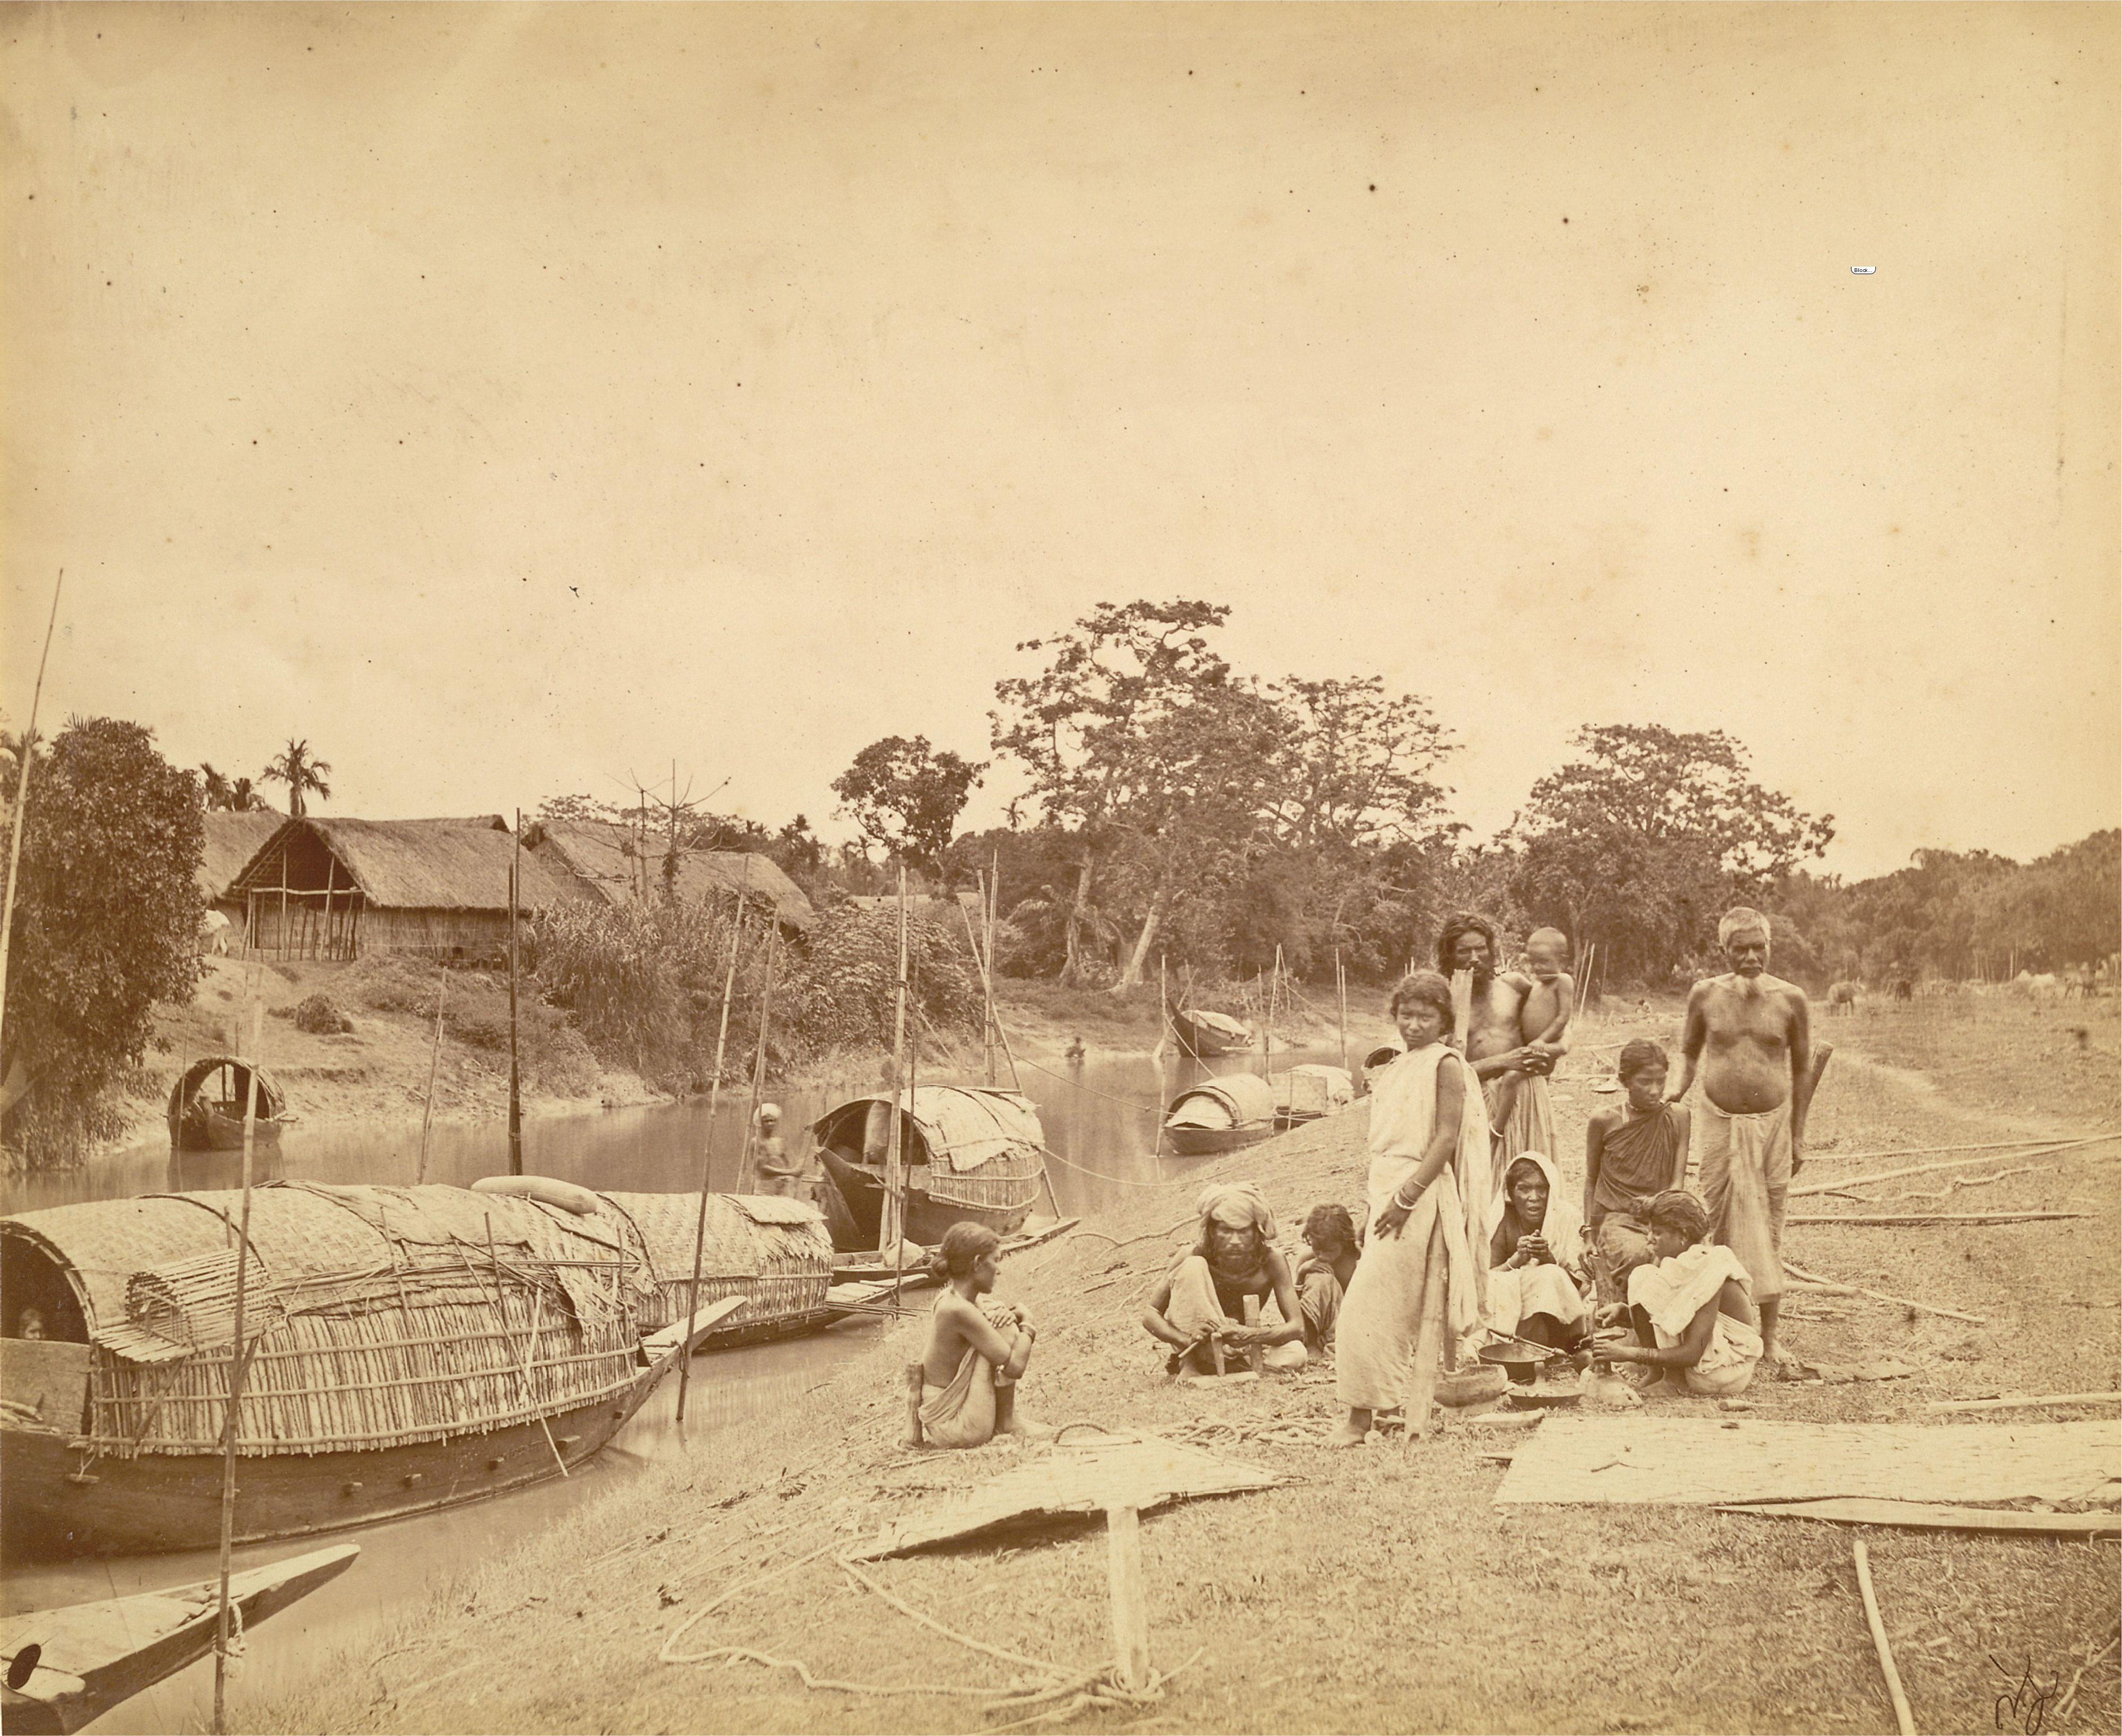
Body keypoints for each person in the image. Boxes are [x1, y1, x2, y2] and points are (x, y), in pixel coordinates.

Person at [1331, 971, 1491, 1446]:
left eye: (1425, 1017)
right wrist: (1381, 1200)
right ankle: (1375, 1407)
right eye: (1406, 1015)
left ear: (1443, 1020)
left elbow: (1444, 1138)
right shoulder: (1398, 1065)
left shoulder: (1445, 1064)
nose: (1414, 1025)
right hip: (1386, 1187)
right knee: (1377, 1306)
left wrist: (1406, 1198)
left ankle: (1360, 1419)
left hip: (1417, 1192)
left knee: (1365, 1306)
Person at [1669, 907, 1812, 1371]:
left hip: (1773, 1125)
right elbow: (1688, 1056)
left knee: (1769, 1229)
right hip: (1717, 1122)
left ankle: (1768, 1337)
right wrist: (1671, 1095)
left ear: (1770, 948)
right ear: (1723, 950)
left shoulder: (1791, 999)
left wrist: (1797, 1135)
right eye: (1740, 949)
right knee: (1712, 1223)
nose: (1751, 957)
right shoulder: (1705, 995)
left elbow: (1801, 1069)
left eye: (1759, 947)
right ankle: (1716, 1328)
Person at [1594, 1190, 1763, 1396]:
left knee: (1654, 1281)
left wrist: (1629, 1354)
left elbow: (1692, 1352)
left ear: (1683, 1236)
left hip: (1722, 1371)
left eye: (1657, 1232)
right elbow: (1671, 1316)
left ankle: (1675, 1382)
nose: (1650, 1239)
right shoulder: (1680, 1265)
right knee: (1643, 1275)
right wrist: (1626, 1313)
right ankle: (1657, 1374)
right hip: (1706, 1359)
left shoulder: (1709, 1266)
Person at [1438, 913, 1558, 1187]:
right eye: (1464, 951)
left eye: (1481, 949)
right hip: (1474, 1105)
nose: (1474, 958)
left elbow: (1551, 1028)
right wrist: (1506, 1061)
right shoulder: (1443, 1001)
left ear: (1491, 951)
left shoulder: (1514, 986)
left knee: (1531, 1184)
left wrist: (1547, 1058)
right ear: (1449, 956)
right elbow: (1444, 1075)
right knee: (1480, 1187)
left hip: (1524, 1098)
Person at [1142, 1184, 1308, 1373]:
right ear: (1212, 1232)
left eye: (1243, 1231)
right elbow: (1150, 1315)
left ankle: (1226, 1364)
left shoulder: (1273, 1260)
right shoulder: (1191, 1255)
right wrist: (1186, 1339)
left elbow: (1297, 1327)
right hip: (1197, 1344)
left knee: (1296, 1354)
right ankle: (1191, 1362)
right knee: (1193, 1264)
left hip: (1242, 1345)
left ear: (1257, 1233)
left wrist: (1251, 1335)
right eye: (1226, 1231)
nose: (1235, 1241)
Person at [1584, 1039, 1691, 1306]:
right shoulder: (1605, 1120)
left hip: (1663, 1216)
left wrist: (1661, 1210)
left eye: (1661, 1081)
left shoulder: (1678, 1116)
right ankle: (1632, 1322)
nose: (1655, 1091)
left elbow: (1677, 1182)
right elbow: (1591, 1179)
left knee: (1695, 1260)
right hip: (1618, 1219)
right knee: (1640, 1257)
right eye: (1645, 1082)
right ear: (1624, 1081)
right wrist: (1588, 1234)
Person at [918, 1222, 1045, 1447]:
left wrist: (1011, 1314)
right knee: (1004, 1329)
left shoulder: (953, 1297)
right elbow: (1015, 1367)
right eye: (995, 1261)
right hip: (955, 1425)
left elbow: (986, 1320)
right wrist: (1029, 1324)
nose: (999, 1270)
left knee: (1000, 1317)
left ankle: (1008, 1421)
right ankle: (1007, 1423)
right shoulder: (957, 1310)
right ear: (977, 1264)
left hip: (954, 1413)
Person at [1486, 1151, 1589, 1348]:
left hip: (1559, 1319)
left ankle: (1564, 1343)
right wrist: (1516, 1260)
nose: (1534, 1197)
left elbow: (1580, 1286)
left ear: (1552, 1190)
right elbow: (1485, 1282)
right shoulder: (1502, 1220)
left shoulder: (1567, 1217)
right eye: (1524, 1189)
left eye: (1542, 1188)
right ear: (1511, 1193)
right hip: (1512, 1320)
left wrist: (1548, 1259)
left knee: (1551, 1274)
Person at [1294, 1204, 1360, 1352]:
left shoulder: (1358, 1257)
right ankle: (1311, 1345)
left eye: (1330, 1250)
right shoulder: (1308, 1258)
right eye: (1317, 1249)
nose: (1322, 1256)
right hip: (1319, 1328)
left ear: (1345, 1242)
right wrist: (1301, 1274)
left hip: (1354, 1322)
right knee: (1319, 1278)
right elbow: (1295, 1307)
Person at [752, 1105, 805, 1198]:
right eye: (766, 1121)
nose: (770, 1124)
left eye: (772, 1121)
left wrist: (796, 1171)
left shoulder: (779, 1141)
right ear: (760, 1123)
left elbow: (786, 1162)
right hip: (765, 1187)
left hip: (782, 1185)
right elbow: (763, 1168)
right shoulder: (757, 1142)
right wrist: (790, 1172)